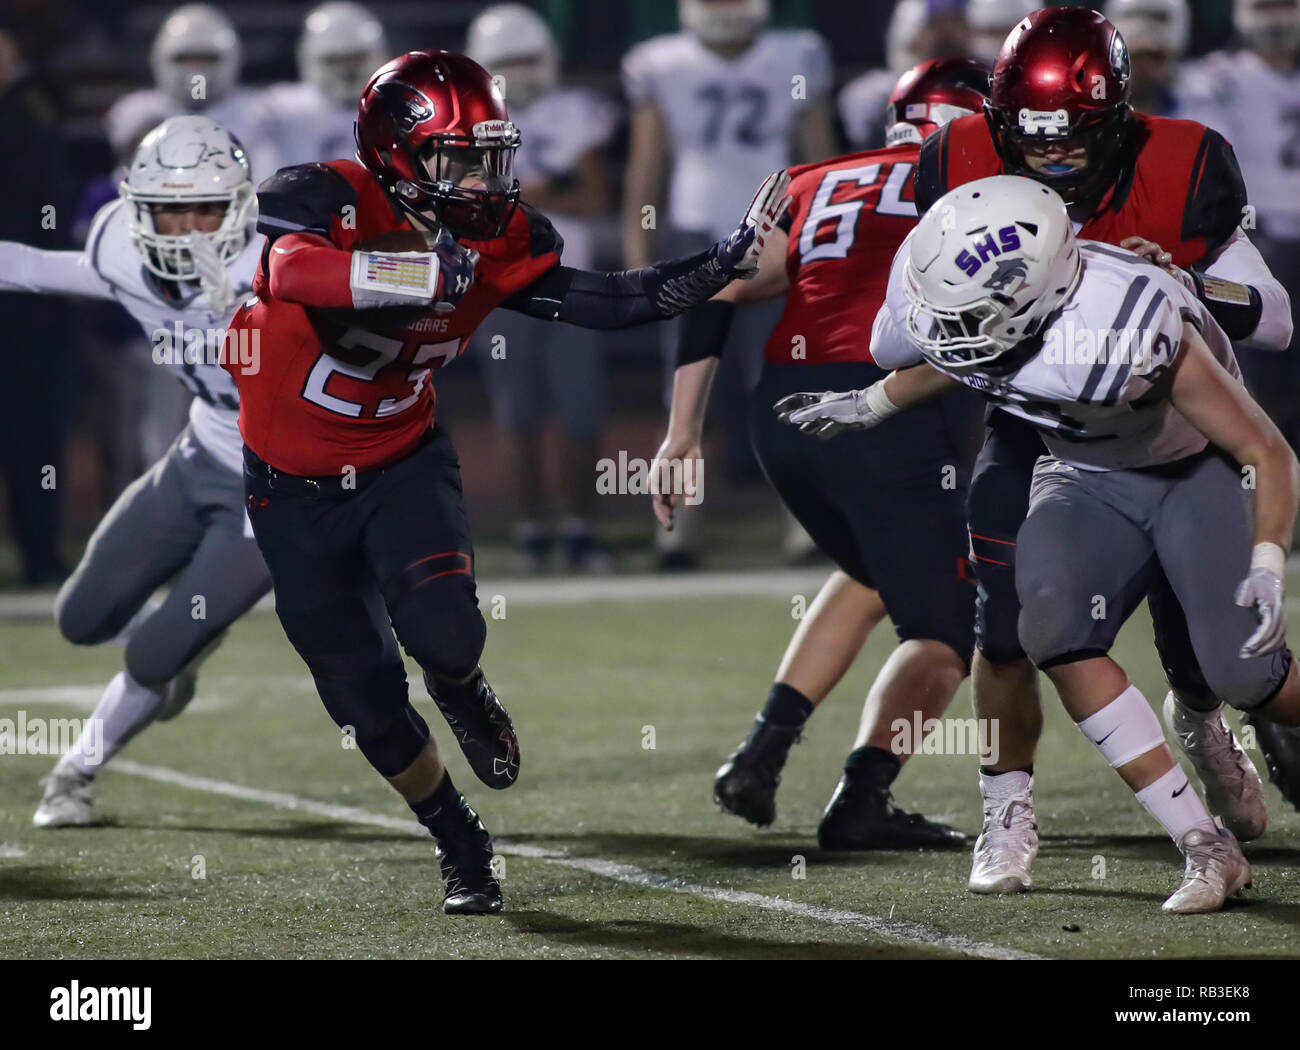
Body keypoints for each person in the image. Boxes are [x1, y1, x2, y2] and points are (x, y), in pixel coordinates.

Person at [224, 50, 790, 915]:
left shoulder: (500, 235)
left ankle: (459, 689)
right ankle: (459, 837)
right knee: (367, 708)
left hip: (401, 463)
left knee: (447, 636)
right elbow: (281, 269)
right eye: (462, 158)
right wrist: (405, 273)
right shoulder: (324, 191)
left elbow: (605, 299)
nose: (487, 177)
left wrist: (718, 264)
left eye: (494, 154)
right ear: (398, 154)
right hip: (290, 490)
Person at [789, 6, 1297, 895]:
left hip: (1171, 419)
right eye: (1033, 138)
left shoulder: (1164, 213)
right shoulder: (964, 175)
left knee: (1220, 651)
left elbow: (1276, 335)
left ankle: (1213, 719)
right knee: (1025, 624)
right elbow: (915, 346)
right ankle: (1033, 812)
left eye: (1077, 138)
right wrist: (877, 390)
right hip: (1050, 432)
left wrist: (1180, 284)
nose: (1055, 156)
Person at [653, 59, 991, 848]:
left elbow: (714, 290)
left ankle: (760, 756)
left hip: (782, 412)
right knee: (946, 632)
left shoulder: (811, 178)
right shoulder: (982, 187)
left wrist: (680, 434)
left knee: (875, 570)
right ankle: (862, 799)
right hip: (884, 405)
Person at [0, 116, 269, 826]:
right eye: (168, 209)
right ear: (138, 210)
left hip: (276, 488)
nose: (185, 228)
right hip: (200, 451)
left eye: (206, 207)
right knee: (81, 617)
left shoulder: (284, 266)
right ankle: (183, 635)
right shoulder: (120, 248)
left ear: (241, 205)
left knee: (154, 656)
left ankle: (74, 772)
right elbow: (33, 266)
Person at [621, 0, 836, 568]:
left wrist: (825, 247)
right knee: (689, 391)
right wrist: (640, 258)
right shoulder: (661, 63)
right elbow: (648, 169)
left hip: (774, 239)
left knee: (782, 382)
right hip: (695, 238)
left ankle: (804, 524)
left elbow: (820, 161)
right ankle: (678, 525)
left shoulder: (797, 55)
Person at [466, 4, 620, 572]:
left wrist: (519, 197)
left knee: (580, 409)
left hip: (569, 280)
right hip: (497, 286)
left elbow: (596, 199)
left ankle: (580, 529)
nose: (520, 72)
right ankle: (530, 531)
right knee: (516, 413)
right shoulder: (462, 128)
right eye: (507, 63)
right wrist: (547, 188)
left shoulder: (572, 111)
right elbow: (470, 209)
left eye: (528, 59)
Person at [1176, 0, 1300, 452]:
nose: (1277, 18)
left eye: (1285, 5)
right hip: (1257, 236)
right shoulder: (1212, 78)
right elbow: (1223, 172)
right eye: (1266, 5)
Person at [260, 2, 391, 167]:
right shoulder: (281, 110)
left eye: (357, 58)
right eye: (335, 61)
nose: (347, 72)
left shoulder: (402, 107)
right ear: (308, 60)